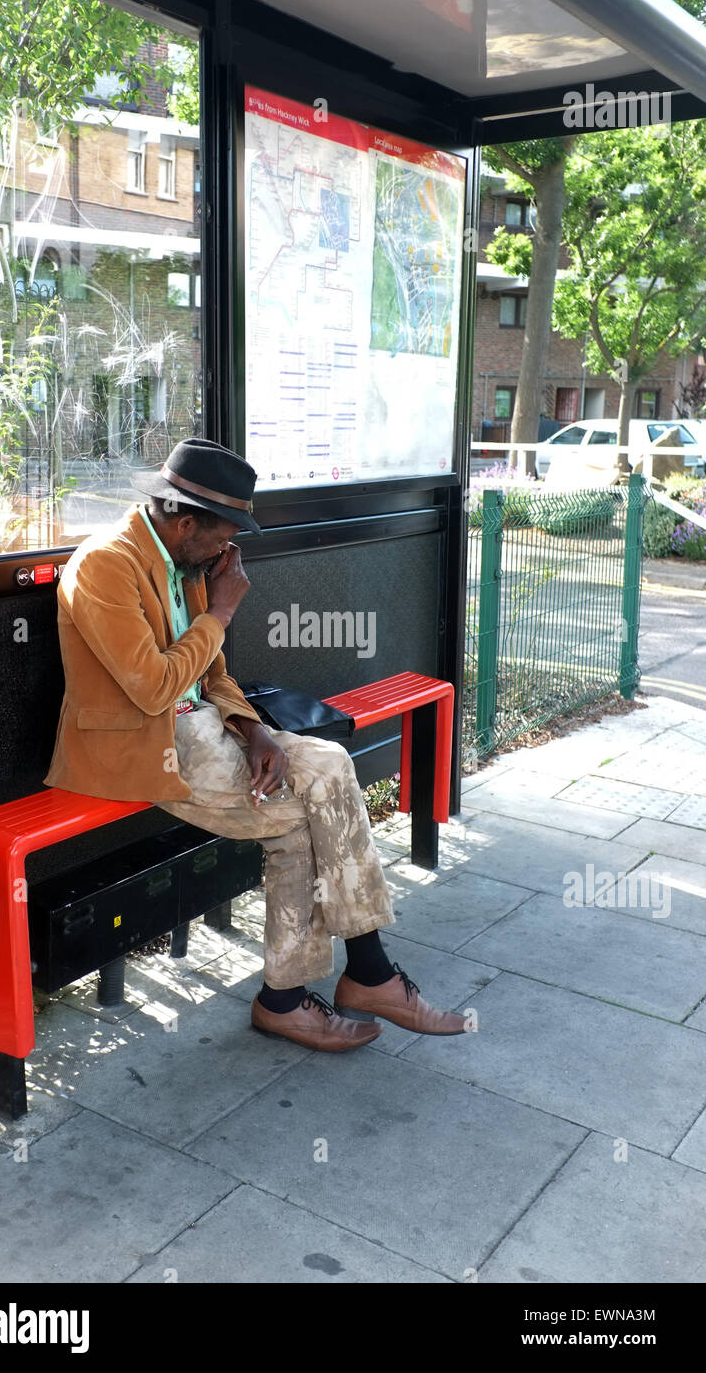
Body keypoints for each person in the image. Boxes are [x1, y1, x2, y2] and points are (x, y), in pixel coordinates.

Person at [45, 438, 468, 1051]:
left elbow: (210, 673)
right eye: (223, 536)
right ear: (185, 520)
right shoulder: (106, 565)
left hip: (205, 727)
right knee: (296, 823)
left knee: (329, 762)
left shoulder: (179, 559)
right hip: (146, 743)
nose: (230, 552)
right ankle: (321, 989)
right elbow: (154, 688)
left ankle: (349, 978)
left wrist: (254, 730)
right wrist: (219, 613)